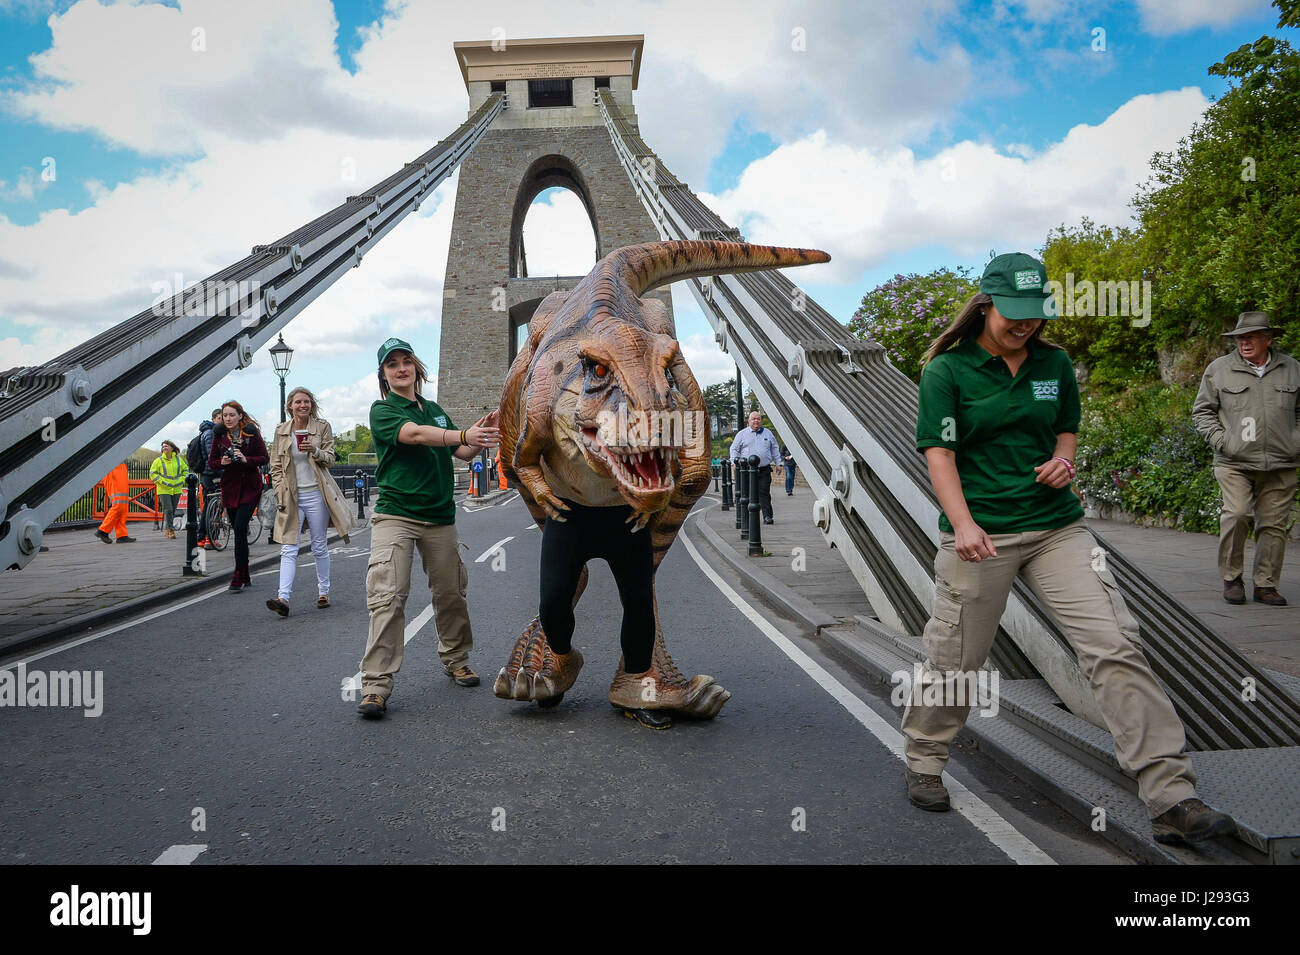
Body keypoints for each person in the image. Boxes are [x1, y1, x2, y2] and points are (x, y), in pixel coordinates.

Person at [903, 251, 1235, 846]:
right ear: (986, 304)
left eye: (1035, 315)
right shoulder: (947, 372)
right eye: (1014, 314)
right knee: (956, 659)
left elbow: (1066, 429)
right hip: (982, 533)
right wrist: (964, 524)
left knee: (1114, 645)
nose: (1024, 325)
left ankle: (1172, 796)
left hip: (1056, 527)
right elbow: (940, 454)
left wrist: (1065, 461)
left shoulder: (1053, 363)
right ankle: (926, 761)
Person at [356, 338, 500, 718]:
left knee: (451, 593)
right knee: (389, 595)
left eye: (407, 362)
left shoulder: (436, 411)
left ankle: (456, 659)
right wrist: (463, 435)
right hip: (396, 515)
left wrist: (481, 433)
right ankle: (375, 684)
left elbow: (463, 452)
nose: (401, 368)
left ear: (417, 368)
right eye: (392, 365)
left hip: (439, 516)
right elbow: (415, 436)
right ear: (384, 375)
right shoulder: (383, 410)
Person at [1192, 311, 1300, 607]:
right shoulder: (1219, 369)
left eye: (1251, 336)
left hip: (1282, 462)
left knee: (1274, 526)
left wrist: (1295, 441)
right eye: (1240, 337)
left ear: (1268, 339)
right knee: (1237, 514)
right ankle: (1232, 578)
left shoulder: (1293, 369)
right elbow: (1202, 412)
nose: (1244, 342)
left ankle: (1265, 585)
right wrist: (1223, 441)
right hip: (1233, 462)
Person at [266, 387, 353, 616]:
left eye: (306, 402)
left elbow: (331, 459)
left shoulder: (321, 427)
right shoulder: (281, 431)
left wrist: (315, 450)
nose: (302, 405)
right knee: (288, 548)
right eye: (298, 402)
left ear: (311, 405)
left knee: (319, 545)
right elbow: (275, 465)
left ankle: (323, 592)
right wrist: (279, 491)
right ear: (290, 406)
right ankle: (283, 598)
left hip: (316, 493)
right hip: (291, 496)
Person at [207, 400, 269, 591]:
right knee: (237, 530)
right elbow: (212, 462)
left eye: (232, 415)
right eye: (225, 415)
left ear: (240, 415)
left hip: (250, 486)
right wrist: (223, 462)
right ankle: (245, 571)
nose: (228, 418)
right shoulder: (219, 434)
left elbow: (264, 457)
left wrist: (246, 459)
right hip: (231, 487)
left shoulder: (250, 433)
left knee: (241, 527)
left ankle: (237, 575)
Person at [729, 410, 783, 524]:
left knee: (764, 492)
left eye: (758, 419)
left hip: (764, 469)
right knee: (747, 493)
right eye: (753, 419)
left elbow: (774, 448)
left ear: (761, 421)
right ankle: (748, 518)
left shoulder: (768, 433)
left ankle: (767, 516)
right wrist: (734, 462)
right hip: (747, 470)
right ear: (749, 421)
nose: (756, 421)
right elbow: (734, 449)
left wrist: (778, 463)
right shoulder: (742, 434)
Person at [149, 440, 189, 539]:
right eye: (163, 447)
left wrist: (182, 480)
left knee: (172, 510)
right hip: (163, 489)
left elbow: (186, 470)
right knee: (169, 509)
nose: (164, 448)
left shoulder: (179, 460)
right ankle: (170, 530)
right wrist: (163, 482)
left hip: (176, 489)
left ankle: (168, 529)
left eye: (166, 446)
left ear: (172, 447)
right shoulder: (158, 461)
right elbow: (153, 474)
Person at [193, 409, 222, 548]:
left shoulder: (208, 431)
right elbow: (212, 456)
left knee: (210, 506)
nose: (223, 420)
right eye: (220, 418)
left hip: (207, 473)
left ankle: (202, 537)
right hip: (212, 473)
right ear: (214, 419)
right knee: (215, 506)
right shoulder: (211, 433)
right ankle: (209, 537)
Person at [94, 462, 135, 543]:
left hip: (120, 467)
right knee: (118, 505)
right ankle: (102, 531)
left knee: (123, 506)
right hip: (112, 468)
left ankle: (122, 535)